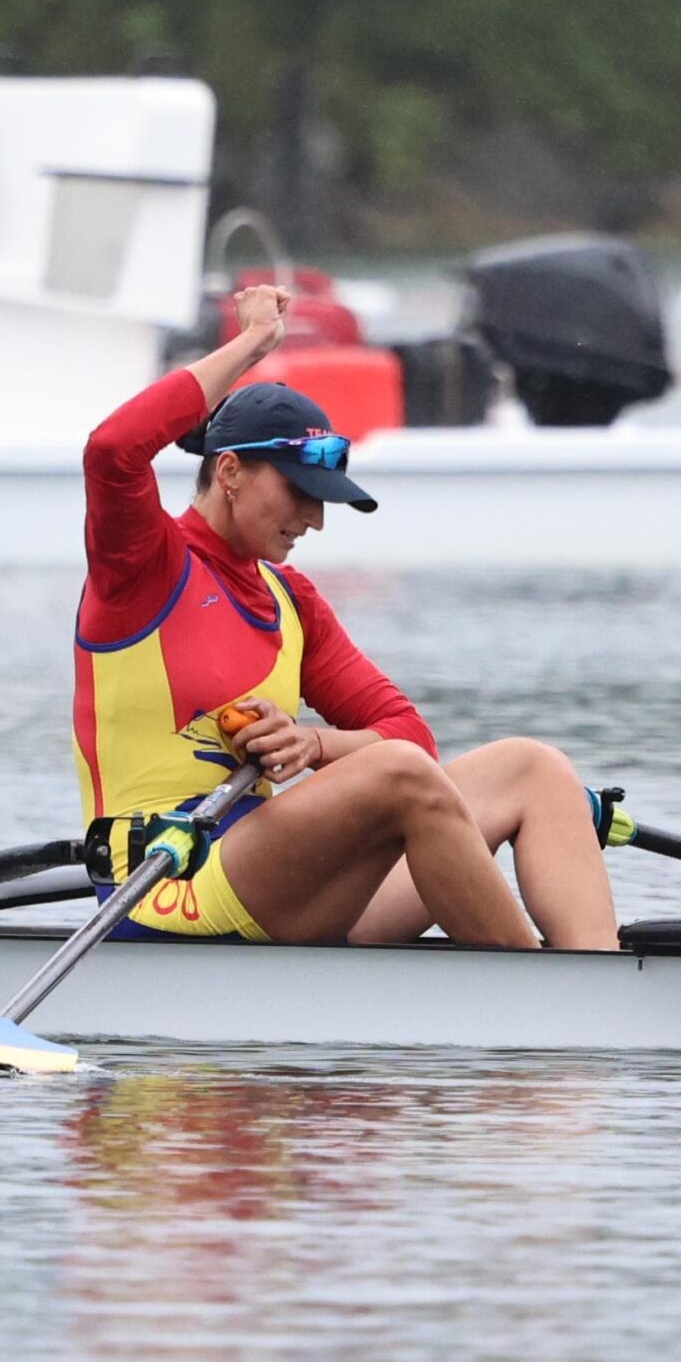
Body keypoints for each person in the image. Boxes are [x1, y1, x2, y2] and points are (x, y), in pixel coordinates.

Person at [75, 281, 619, 951]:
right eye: (300, 493)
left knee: (531, 768)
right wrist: (250, 345)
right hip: (163, 887)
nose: (315, 519)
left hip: (275, 876)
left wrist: (314, 744)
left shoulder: (291, 600)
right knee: (399, 777)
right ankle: (546, 1000)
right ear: (231, 471)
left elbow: (409, 736)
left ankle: (599, 976)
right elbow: (112, 451)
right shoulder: (141, 568)